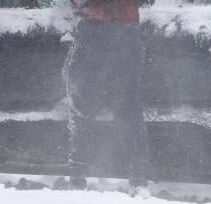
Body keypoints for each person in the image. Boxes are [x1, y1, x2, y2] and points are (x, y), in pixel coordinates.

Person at [62, 0, 151, 193]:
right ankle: (139, 180)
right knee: (128, 108)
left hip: (95, 30)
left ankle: (77, 177)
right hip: (124, 32)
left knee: (83, 108)